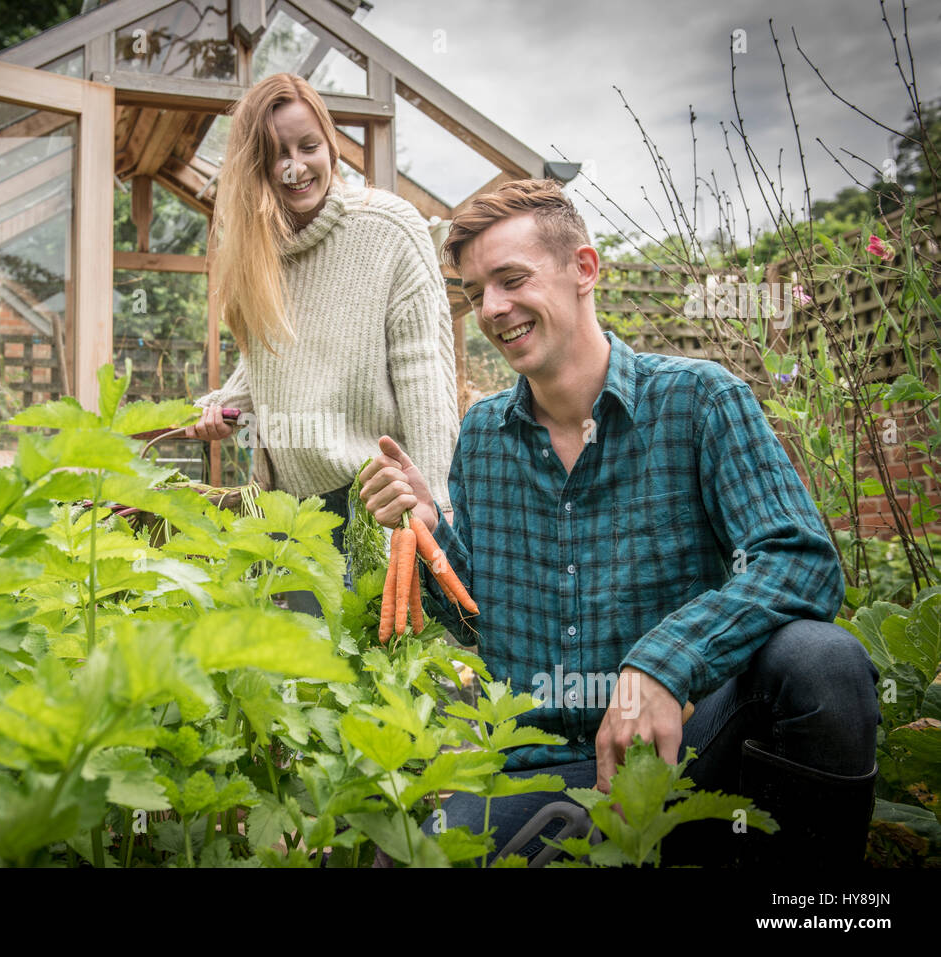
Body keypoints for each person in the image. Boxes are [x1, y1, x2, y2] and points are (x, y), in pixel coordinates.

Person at [358, 178, 880, 867]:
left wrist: (663, 663)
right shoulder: (483, 435)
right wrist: (430, 529)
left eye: (511, 279)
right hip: (539, 770)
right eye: (476, 290)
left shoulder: (699, 400)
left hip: (683, 752)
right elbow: (483, 621)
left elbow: (802, 558)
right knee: (404, 858)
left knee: (822, 660)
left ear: (584, 269)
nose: (491, 308)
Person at [187, 73, 459, 614]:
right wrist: (219, 408)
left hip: (374, 505)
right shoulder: (253, 250)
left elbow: (423, 373)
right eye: (275, 153)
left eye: (308, 146)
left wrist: (437, 515)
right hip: (287, 513)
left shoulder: (389, 229)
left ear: (330, 145)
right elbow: (265, 364)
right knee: (306, 686)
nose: (295, 166)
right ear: (253, 166)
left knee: (381, 676)